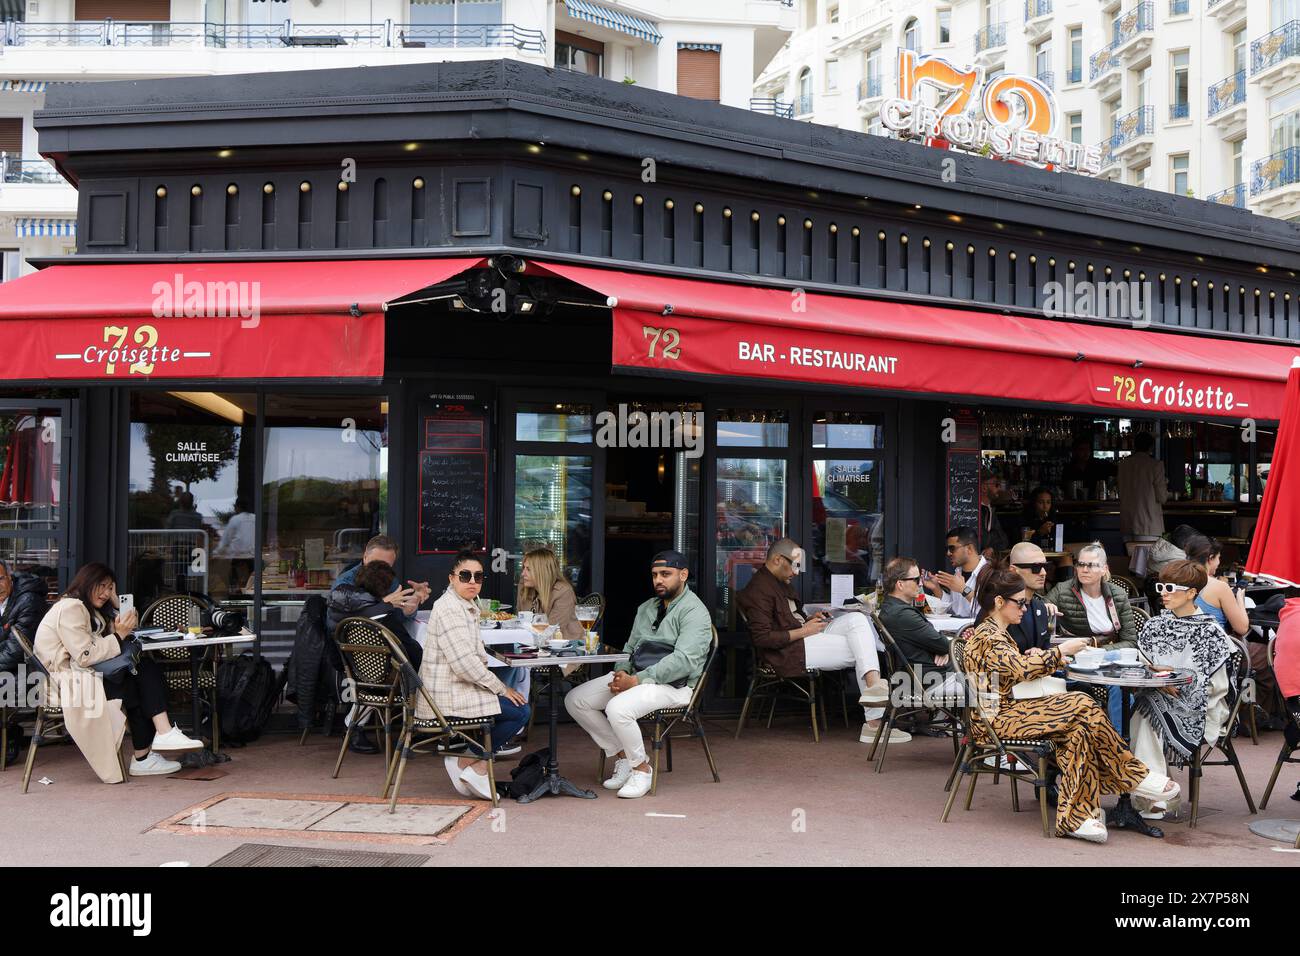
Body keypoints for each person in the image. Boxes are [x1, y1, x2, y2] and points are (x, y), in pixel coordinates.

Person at [960, 568, 1178, 843]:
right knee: (1082, 703)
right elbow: (1020, 669)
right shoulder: (988, 636)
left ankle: (1078, 818)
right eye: (1021, 602)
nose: (1025, 608)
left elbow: (1014, 669)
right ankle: (1133, 775)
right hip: (995, 720)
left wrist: (1051, 657)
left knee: (1078, 732)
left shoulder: (995, 633)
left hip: (1008, 711)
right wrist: (1060, 652)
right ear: (1000, 602)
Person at [33, 563, 203, 781]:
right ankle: (155, 744)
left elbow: (127, 625)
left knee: (139, 673)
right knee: (140, 671)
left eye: (110, 588)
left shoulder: (86, 608)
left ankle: (150, 750)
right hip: (67, 687)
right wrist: (118, 636)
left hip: (80, 678)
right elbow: (85, 655)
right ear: (86, 583)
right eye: (101, 586)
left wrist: (116, 600)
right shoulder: (71, 608)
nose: (105, 593)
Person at [565, 550, 712, 799]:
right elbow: (630, 648)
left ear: (683, 575)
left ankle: (642, 770)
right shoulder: (646, 608)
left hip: (676, 686)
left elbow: (684, 661)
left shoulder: (695, 612)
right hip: (639, 678)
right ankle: (624, 756)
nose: (658, 580)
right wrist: (621, 673)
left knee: (618, 708)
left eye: (666, 574)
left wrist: (636, 680)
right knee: (576, 700)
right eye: (655, 575)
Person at [736, 538, 897, 746]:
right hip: (790, 650)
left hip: (806, 635)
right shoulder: (759, 589)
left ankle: (874, 691)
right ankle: (874, 723)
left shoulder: (778, 581)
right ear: (777, 559)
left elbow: (791, 616)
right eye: (795, 565)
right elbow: (762, 638)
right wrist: (804, 630)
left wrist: (809, 619)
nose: (796, 572)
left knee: (857, 619)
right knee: (860, 647)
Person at [420, 550, 529, 801]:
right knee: (520, 711)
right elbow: (464, 665)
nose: (472, 581)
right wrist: (501, 688)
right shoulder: (450, 609)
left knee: (514, 702)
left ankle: (468, 761)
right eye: (465, 575)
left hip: (455, 688)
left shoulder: (465, 606)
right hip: (447, 695)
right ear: (452, 578)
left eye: (478, 577)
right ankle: (474, 764)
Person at [1129, 560, 1234, 820]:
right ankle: (1157, 792)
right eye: (1160, 586)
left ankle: (1153, 797)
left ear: (1191, 592)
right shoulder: (1154, 626)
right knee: (1145, 711)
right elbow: (1140, 665)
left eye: (1170, 587)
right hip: (1154, 697)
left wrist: (1173, 683)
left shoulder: (1211, 633)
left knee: (1142, 717)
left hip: (1201, 707)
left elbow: (1217, 687)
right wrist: (1157, 678)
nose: (1163, 592)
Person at [877, 556, 964, 702]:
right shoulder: (902, 615)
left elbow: (940, 644)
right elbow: (944, 644)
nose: (921, 583)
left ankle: (955, 723)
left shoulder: (890, 608)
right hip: (934, 680)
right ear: (900, 584)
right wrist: (945, 648)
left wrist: (943, 649)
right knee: (991, 684)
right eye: (916, 580)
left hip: (923, 677)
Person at [1046, 542, 1136, 650]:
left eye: (1091, 565)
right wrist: (1046, 606)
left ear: (1104, 569)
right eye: (1080, 564)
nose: (1084, 570)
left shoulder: (1118, 595)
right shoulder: (1062, 590)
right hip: (1074, 654)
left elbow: (1130, 642)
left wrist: (1100, 651)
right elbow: (1041, 605)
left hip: (1109, 655)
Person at [0, 558, 47, 765]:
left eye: (0, 578)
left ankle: (9, 735)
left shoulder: (28, 600)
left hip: (28, 670)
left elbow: (15, 652)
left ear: (9, 578)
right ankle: (10, 733)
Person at [333, 534, 430, 618]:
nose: (379, 569)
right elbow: (341, 617)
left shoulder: (391, 581)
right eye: (375, 563)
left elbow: (396, 617)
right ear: (365, 557)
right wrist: (385, 604)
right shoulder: (345, 581)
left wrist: (409, 610)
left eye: (385, 566)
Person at [1182, 536, 1249, 637]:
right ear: (1210, 558)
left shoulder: (1178, 582)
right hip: (1216, 648)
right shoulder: (1220, 587)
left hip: (1186, 646)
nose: (1219, 562)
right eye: (1218, 558)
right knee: (1265, 649)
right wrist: (1240, 599)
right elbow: (1242, 628)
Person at [1116, 431, 1168, 555]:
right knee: (1147, 566)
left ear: (1134, 445)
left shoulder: (1123, 464)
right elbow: (1162, 497)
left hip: (1127, 522)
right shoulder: (1156, 465)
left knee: (1130, 562)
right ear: (1151, 447)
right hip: (1148, 524)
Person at [517, 547, 582, 642]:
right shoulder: (525, 586)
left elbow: (551, 631)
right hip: (533, 645)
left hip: (565, 648)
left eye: (528, 569)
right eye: (524, 568)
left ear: (542, 572)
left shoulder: (563, 592)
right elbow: (522, 621)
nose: (523, 574)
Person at [924, 526, 989, 618]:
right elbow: (954, 607)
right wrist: (936, 588)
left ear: (969, 549)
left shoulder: (991, 573)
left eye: (952, 548)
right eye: (947, 549)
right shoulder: (958, 572)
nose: (948, 553)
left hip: (978, 630)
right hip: (955, 630)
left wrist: (964, 589)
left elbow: (991, 609)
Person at [1007, 542, 1056, 653]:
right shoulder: (1001, 608)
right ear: (1014, 571)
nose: (1043, 573)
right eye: (1036, 567)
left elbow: (1045, 650)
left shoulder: (1041, 607)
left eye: (1046, 566)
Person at [979, 475, 1010, 554]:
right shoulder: (974, 511)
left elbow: (1004, 540)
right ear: (984, 488)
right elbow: (983, 540)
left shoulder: (990, 510)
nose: (999, 488)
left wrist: (992, 548)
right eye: (996, 485)